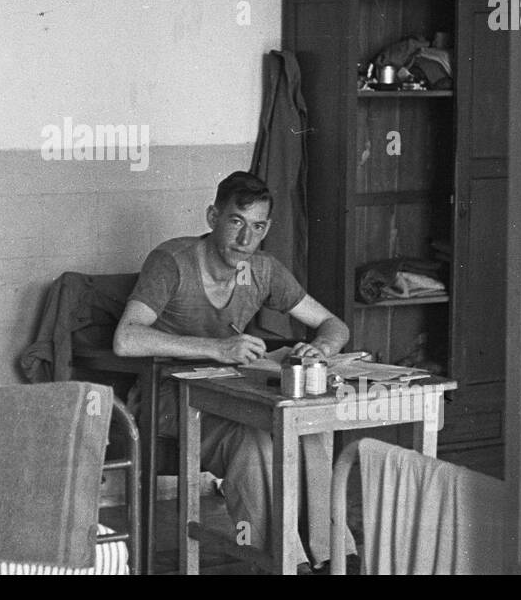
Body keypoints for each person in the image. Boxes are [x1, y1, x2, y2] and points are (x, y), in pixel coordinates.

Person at [113, 170, 355, 572]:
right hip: (170, 399)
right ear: (212, 217)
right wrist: (217, 348)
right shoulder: (172, 261)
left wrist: (321, 348)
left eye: (257, 227)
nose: (246, 239)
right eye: (236, 222)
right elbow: (127, 339)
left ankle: (332, 557)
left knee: (309, 430)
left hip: (230, 394)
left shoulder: (263, 270)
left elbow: (334, 325)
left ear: (267, 228)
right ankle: (282, 564)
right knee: (254, 443)